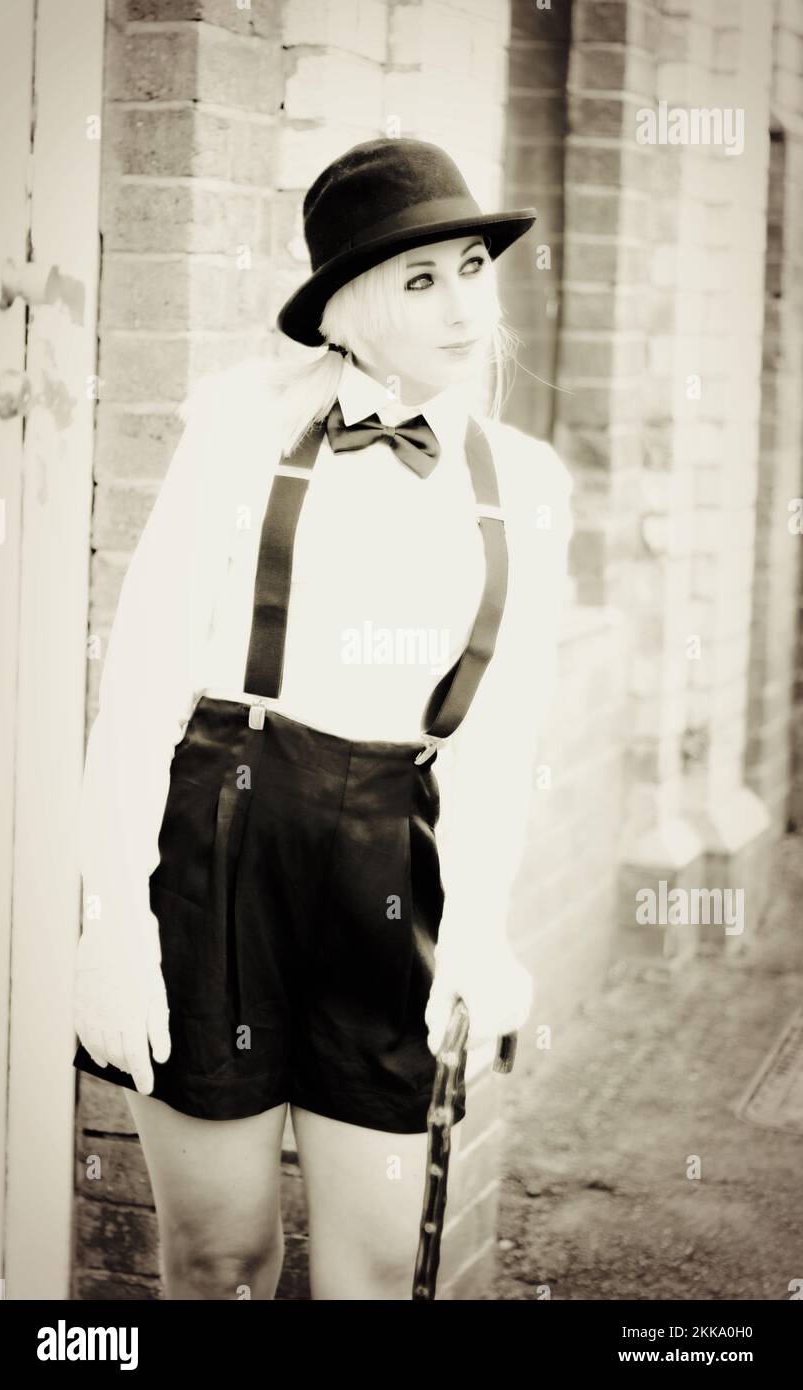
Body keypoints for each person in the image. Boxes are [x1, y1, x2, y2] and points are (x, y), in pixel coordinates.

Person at [72, 136, 574, 1300]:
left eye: (471, 270)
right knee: (220, 1257)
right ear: (350, 306)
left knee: (375, 1268)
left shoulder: (524, 485)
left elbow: (500, 740)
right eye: (421, 280)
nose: (463, 307)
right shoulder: (238, 431)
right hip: (222, 844)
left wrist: (481, 933)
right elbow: (140, 685)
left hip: (393, 858)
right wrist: (111, 928)